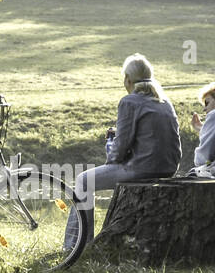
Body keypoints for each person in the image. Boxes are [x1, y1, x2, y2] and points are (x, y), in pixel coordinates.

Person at [66, 54, 181, 248]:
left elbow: (120, 149)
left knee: (83, 181)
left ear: (127, 78)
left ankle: (75, 245)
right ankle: (78, 243)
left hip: (142, 169)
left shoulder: (129, 101)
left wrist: (111, 151)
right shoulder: (163, 100)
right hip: (168, 167)